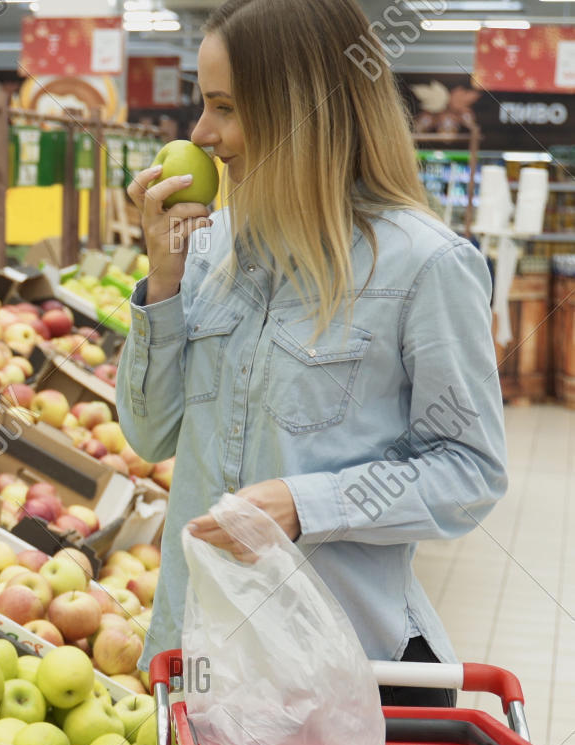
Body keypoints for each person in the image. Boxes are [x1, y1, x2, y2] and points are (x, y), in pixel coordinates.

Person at [116, 0, 508, 708]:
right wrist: (164, 278)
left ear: (302, 114)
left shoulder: (423, 265)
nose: (201, 135)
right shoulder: (208, 249)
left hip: (347, 678)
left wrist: (308, 505)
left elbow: (470, 470)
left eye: (225, 108)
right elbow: (150, 433)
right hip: (205, 661)